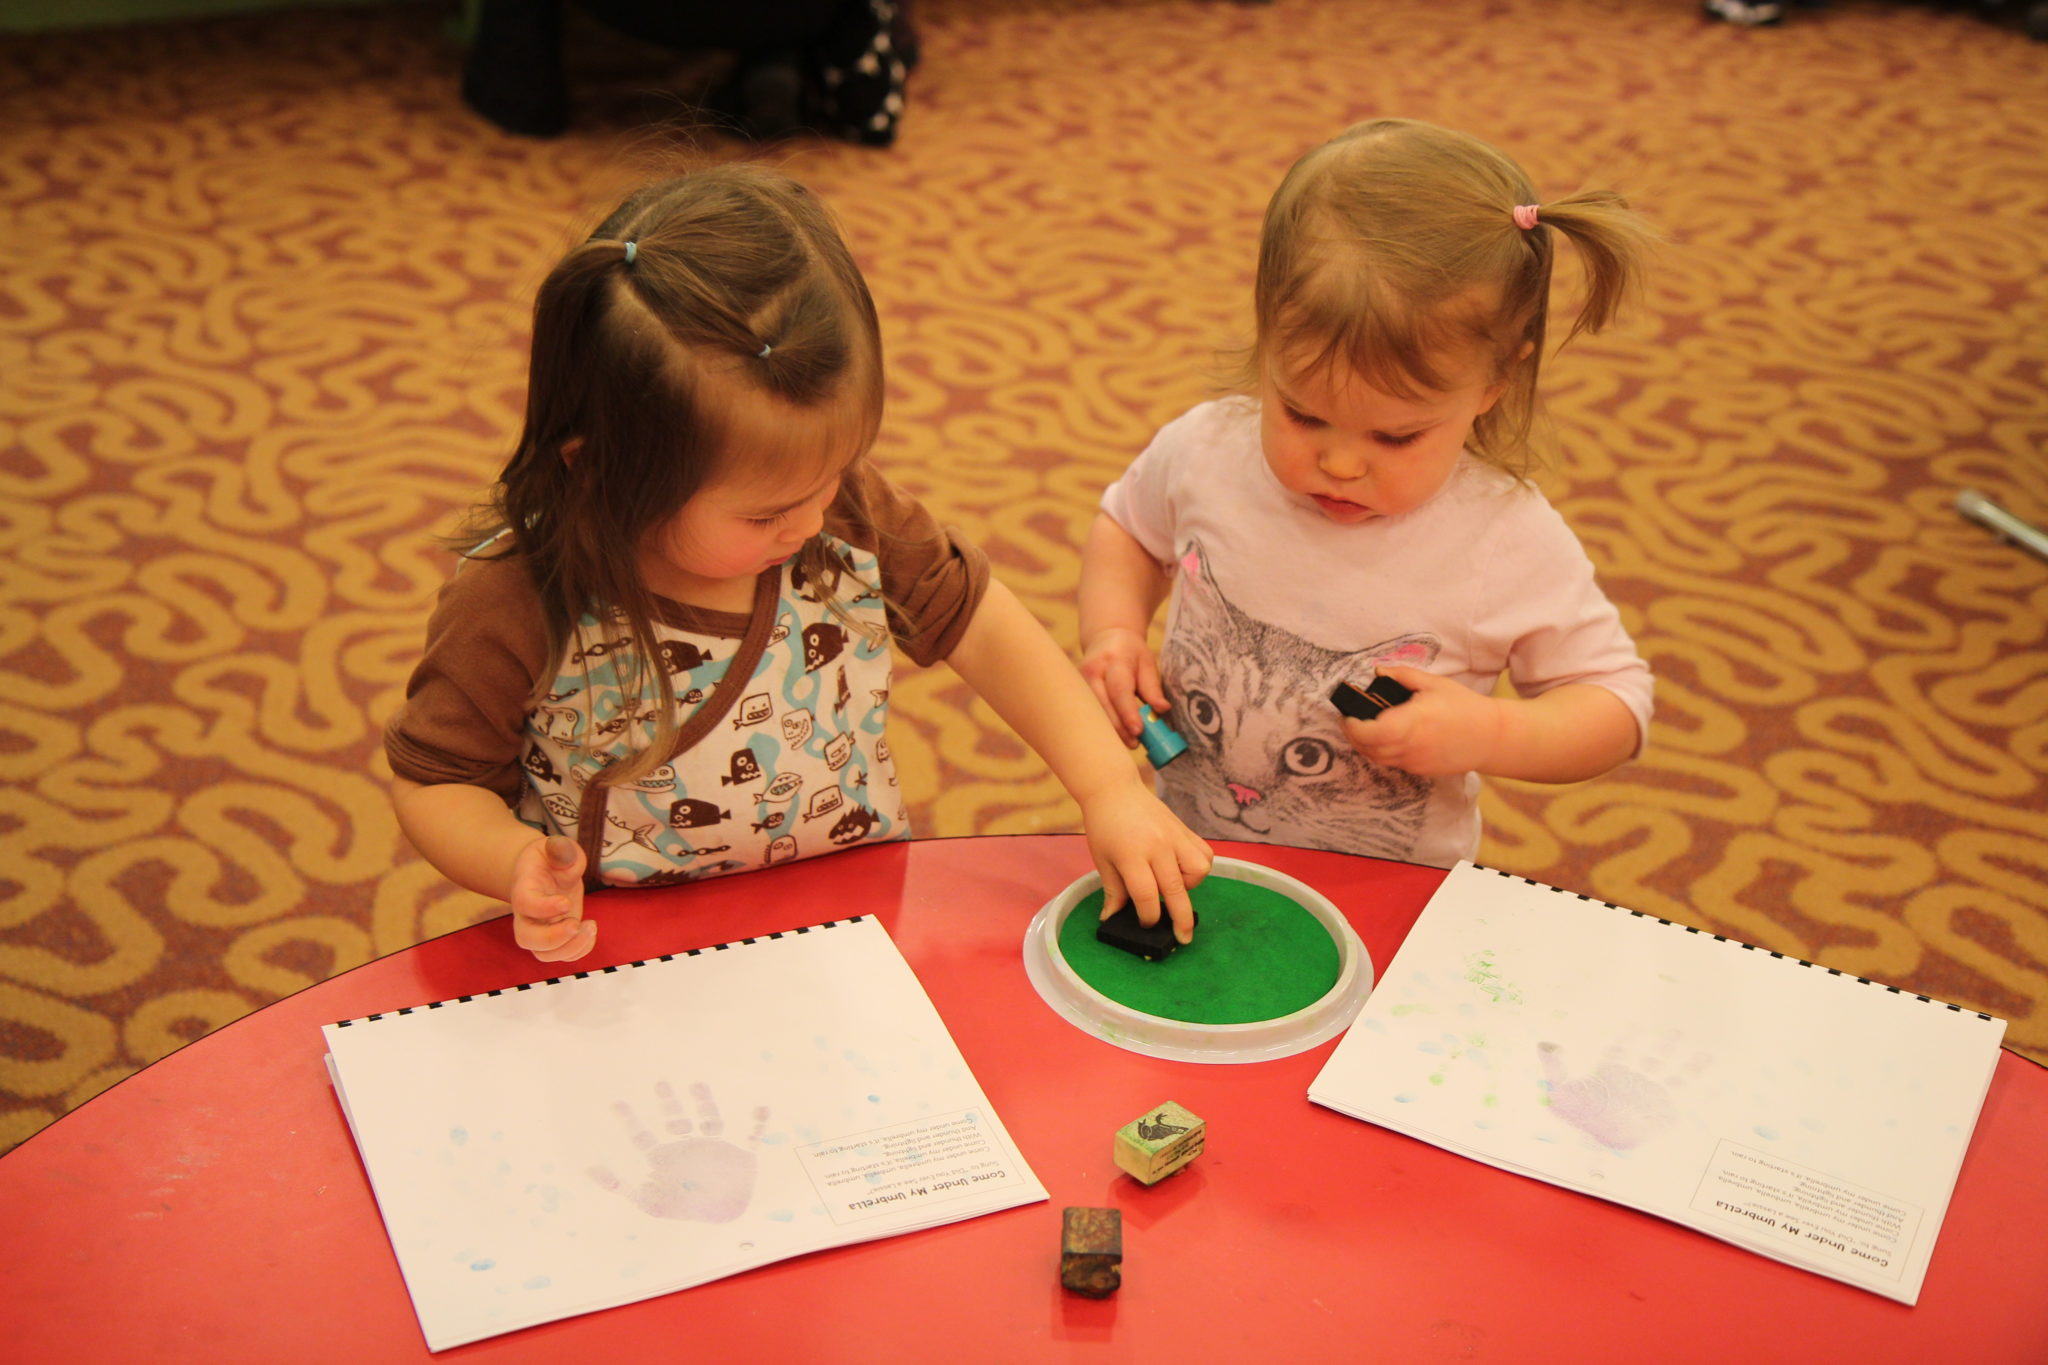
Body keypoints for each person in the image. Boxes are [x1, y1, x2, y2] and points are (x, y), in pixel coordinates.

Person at [387, 164, 1211, 962]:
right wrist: (510, 860)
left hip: (844, 924)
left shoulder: (844, 512)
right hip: (626, 959)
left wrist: (1109, 789)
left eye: (832, 476)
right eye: (768, 512)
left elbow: (986, 629)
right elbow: (435, 780)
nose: (815, 520)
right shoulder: (520, 594)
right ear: (601, 470)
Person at [1078, 118, 1656, 869]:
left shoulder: (1502, 537)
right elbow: (1128, 527)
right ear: (1267, 336)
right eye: (1304, 413)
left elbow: (1615, 701)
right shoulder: (1208, 447)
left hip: (1388, 889)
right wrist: (1114, 632)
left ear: (1494, 382)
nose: (1341, 464)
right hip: (1191, 849)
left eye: (1394, 437)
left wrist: (1492, 732)